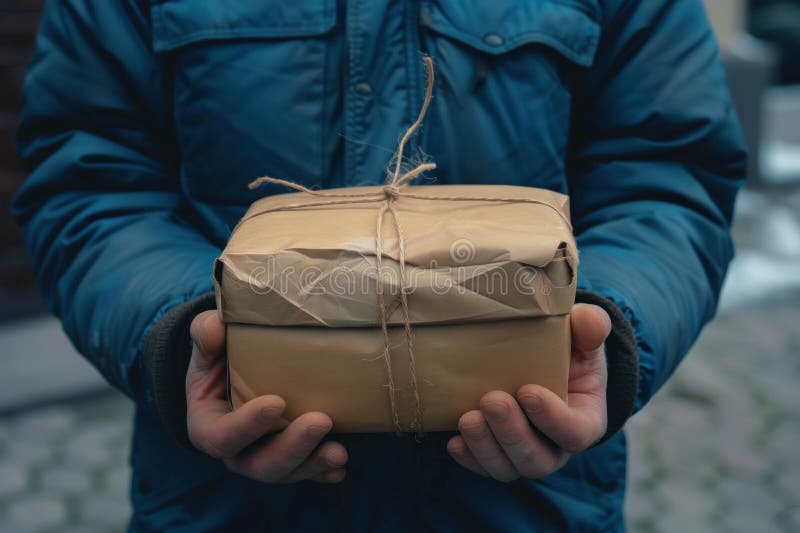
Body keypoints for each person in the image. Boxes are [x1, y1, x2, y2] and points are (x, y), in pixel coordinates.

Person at [13, 1, 746, 531]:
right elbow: (92, 181)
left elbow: (667, 176)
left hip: (526, 502)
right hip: (226, 500)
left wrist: (608, 338)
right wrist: (177, 342)